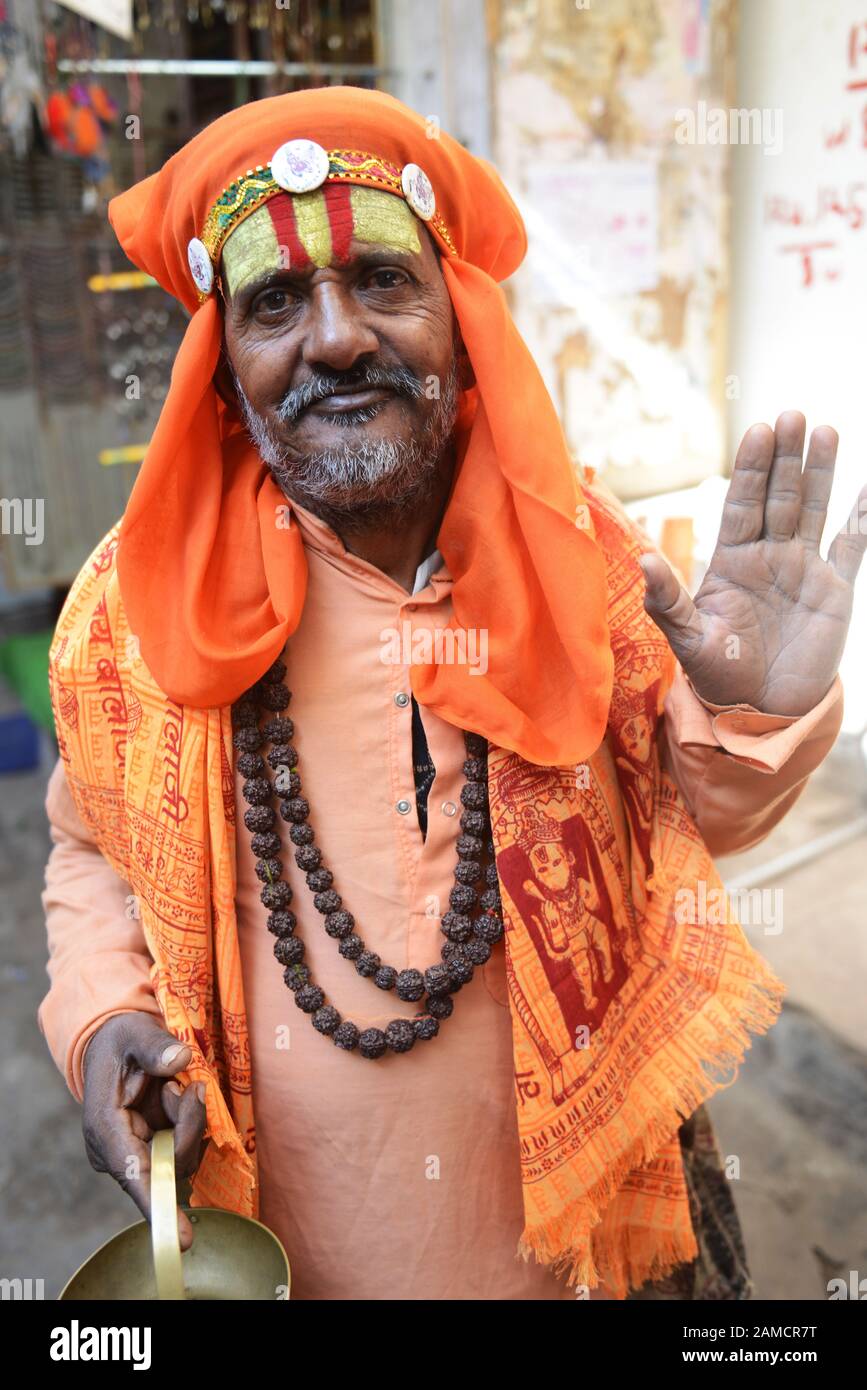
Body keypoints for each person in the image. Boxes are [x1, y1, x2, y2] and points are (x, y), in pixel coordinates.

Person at [38, 86, 863, 1302]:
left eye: (381, 280)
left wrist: (751, 713)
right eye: (275, 302)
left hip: (575, 1257)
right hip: (280, 1247)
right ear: (224, 372)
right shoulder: (135, 606)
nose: (335, 339)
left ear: (460, 321)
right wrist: (102, 1011)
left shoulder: (584, 553)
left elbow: (699, 816)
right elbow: (87, 851)